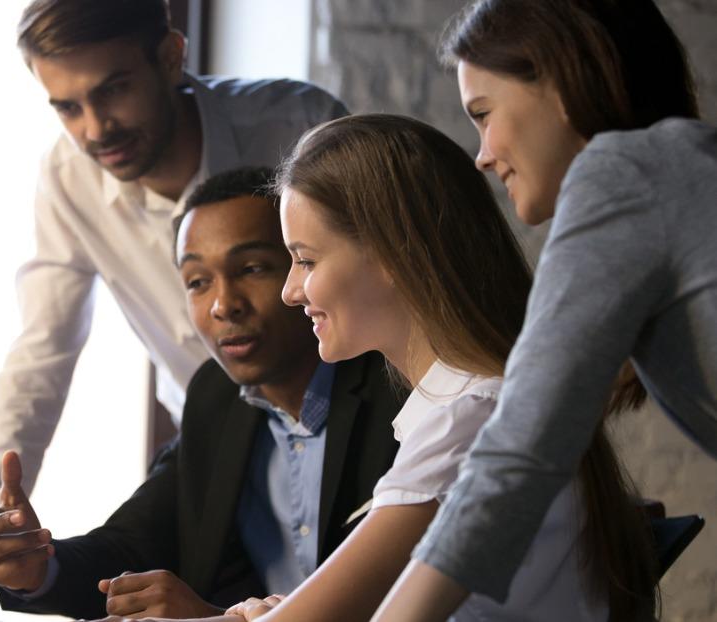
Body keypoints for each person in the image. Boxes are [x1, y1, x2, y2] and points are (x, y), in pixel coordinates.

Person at [0, 0, 347, 604]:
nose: (94, 128)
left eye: (112, 91)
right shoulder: (69, 178)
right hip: (219, 436)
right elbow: (41, 355)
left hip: (346, 414)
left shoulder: (299, 126)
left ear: (170, 57)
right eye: (66, 107)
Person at [169, 114, 653, 622]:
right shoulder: (464, 407)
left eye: (306, 261)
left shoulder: (467, 420)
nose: (292, 291)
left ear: (391, 253)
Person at [371, 2, 716, 619]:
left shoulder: (620, 175)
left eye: (483, 113)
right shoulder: (676, 168)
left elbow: (521, 454)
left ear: (559, 83)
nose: (481, 153)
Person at [0, 167, 402, 620]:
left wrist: (211, 617)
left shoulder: (398, 390)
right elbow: (132, 543)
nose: (223, 304)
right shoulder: (217, 396)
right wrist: (36, 568)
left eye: (251, 269)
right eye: (197, 282)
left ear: (304, 270)